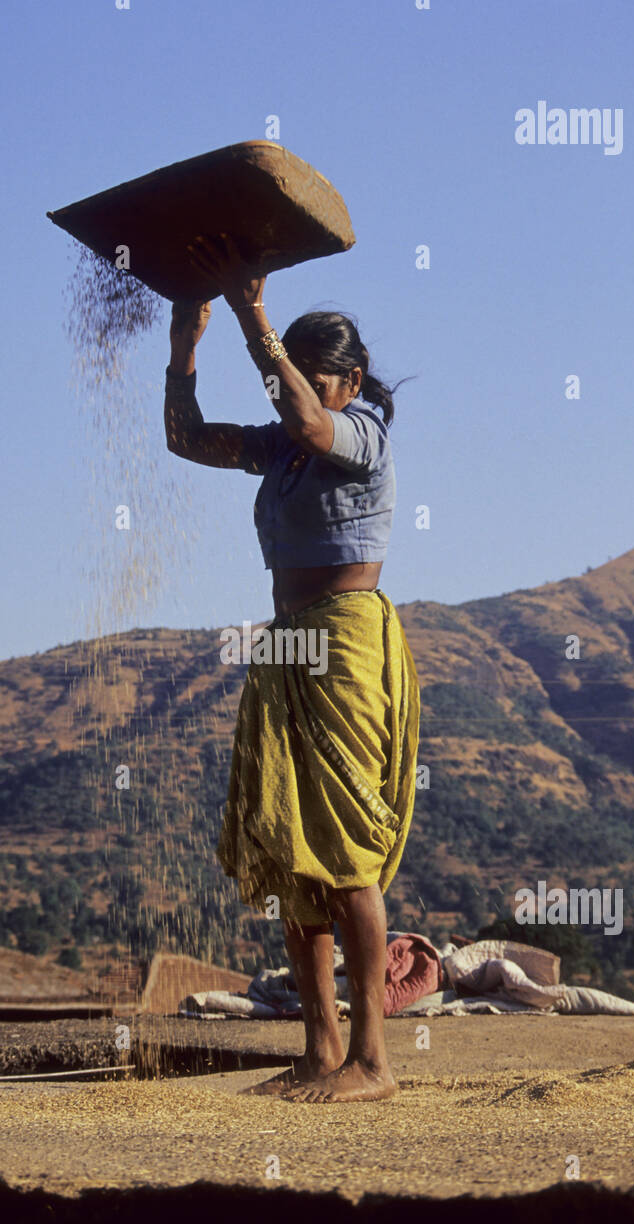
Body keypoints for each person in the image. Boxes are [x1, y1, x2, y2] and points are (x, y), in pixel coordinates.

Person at [164, 232, 420, 1102]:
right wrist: (184, 344)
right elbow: (185, 439)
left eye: (316, 372)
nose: (299, 386)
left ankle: (374, 1062)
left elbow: (308, 416)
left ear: (348, 382)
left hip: (344, 640)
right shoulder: (281, 451)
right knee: (295, 853)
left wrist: (251, 309)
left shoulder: (357, 433)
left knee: (345, 849)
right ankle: (319, 1051)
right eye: (291, 370)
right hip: (286, 648)